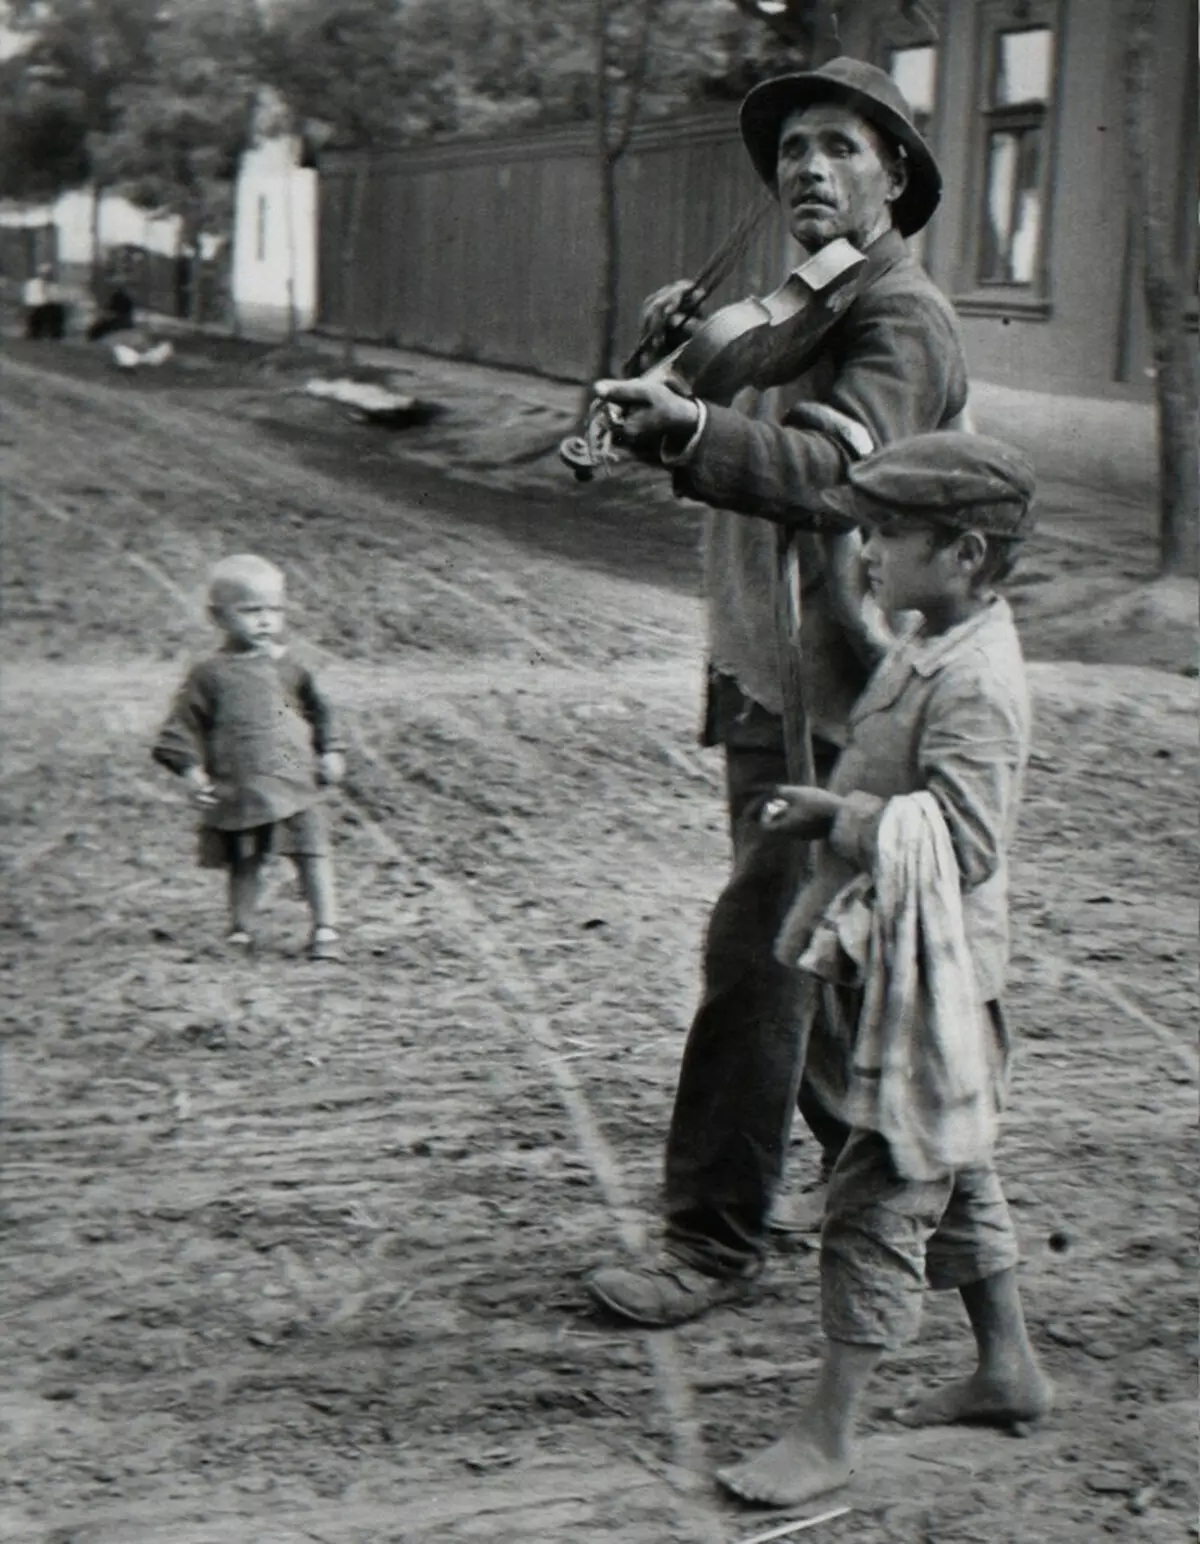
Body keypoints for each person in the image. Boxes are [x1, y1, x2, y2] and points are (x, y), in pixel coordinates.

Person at [583, 57, 972, 1327]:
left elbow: (824, 473)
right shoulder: (790, 309)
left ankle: (709, 1239)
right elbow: (725, 396)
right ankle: (967, 1255)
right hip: (768, 678)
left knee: (762, 953)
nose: (808, 168)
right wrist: (676, 361)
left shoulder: (898, 319)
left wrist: (690, 427)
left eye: (842, 150)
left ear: (895, 176)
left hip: (852, 703)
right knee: (823, 986)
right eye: (794, 148)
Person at [713, 429, 1053, 1509]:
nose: (869, 549)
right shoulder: (927, 637)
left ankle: (828, 1432)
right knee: (952, 1159)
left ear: (964, 555)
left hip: (942, 973)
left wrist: (842, 814)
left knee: (877, 1191)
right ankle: (1008, 1366)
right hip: (893, 952)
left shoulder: (979, 683)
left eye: (893, 534)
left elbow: (966, 841)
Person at [152, 554, 346, 961]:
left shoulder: (291, 668)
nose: (264, 621)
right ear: (218, 616)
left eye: (273, 610)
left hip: (296, 780)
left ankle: (325, 927)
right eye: (250, 611)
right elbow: (181, 726)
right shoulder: (210, 674)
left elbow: (320, 711)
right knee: (246, 861)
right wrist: (191, 772)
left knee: (312, 854)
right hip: (243, 784)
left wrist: (330, 750)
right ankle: (242, 927)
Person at [23, 264, 66, 340]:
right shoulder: (33, 284)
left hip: (49, 308)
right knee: (40, 311)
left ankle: (55, 332)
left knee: (57, 310)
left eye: (49, 274)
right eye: (45, 274)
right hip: (36, 307)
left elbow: (58, 298)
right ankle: (34, 331)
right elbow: (32, 298)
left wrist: (51, 300)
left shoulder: (54, 286)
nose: (47, 276)